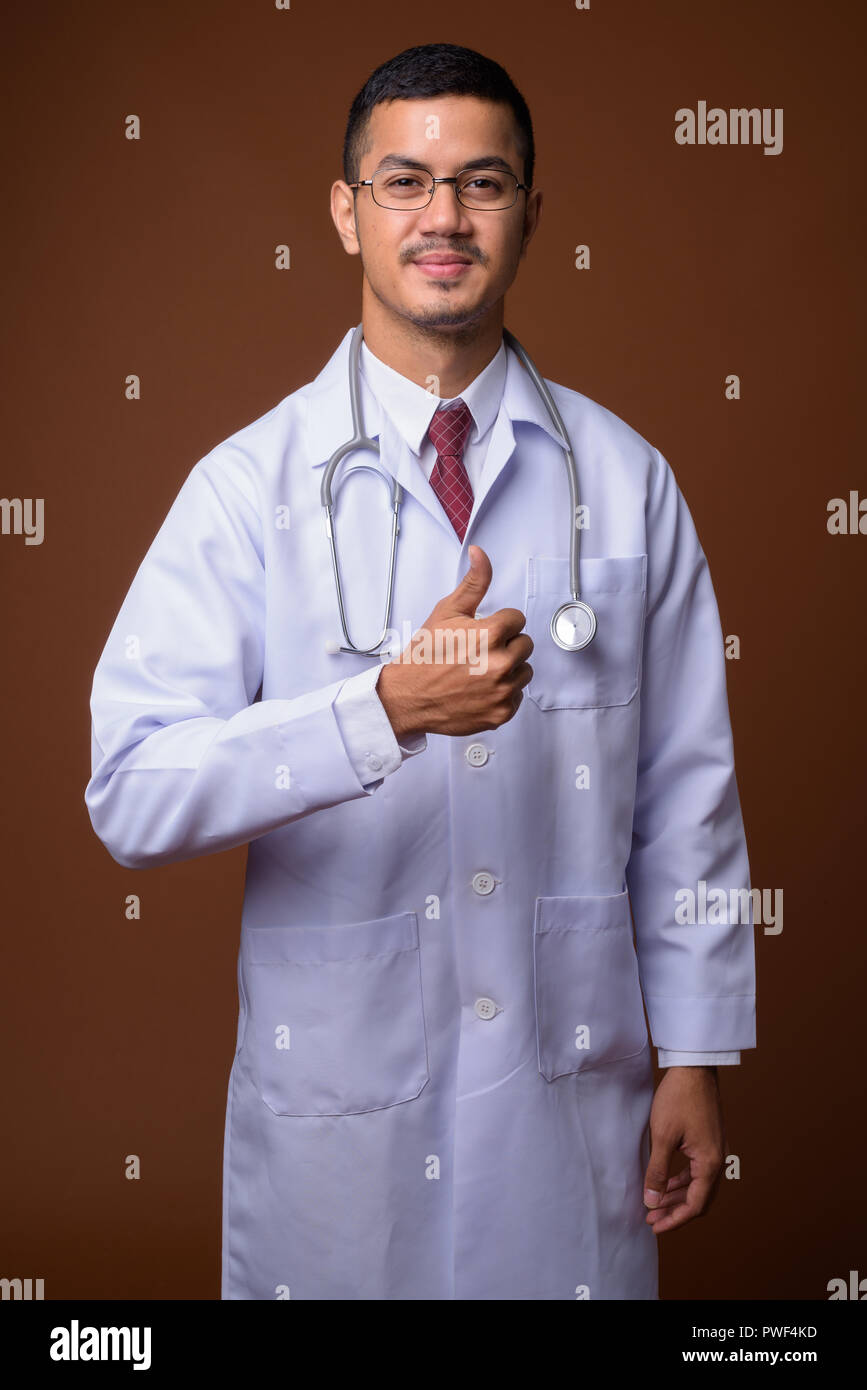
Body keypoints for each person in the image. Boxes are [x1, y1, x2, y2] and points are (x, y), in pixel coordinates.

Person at [85, 42, 756, 1300]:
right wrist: (379, 712)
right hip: (342, 1110)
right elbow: (129, 787)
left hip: (573, 1103)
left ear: (530, 216)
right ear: (345, 212)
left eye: (483, 183)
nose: (443, 216)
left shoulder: (624, 480)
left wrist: (696, 1051)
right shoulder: (246, 489)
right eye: (404, 181)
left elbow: (691, 797)